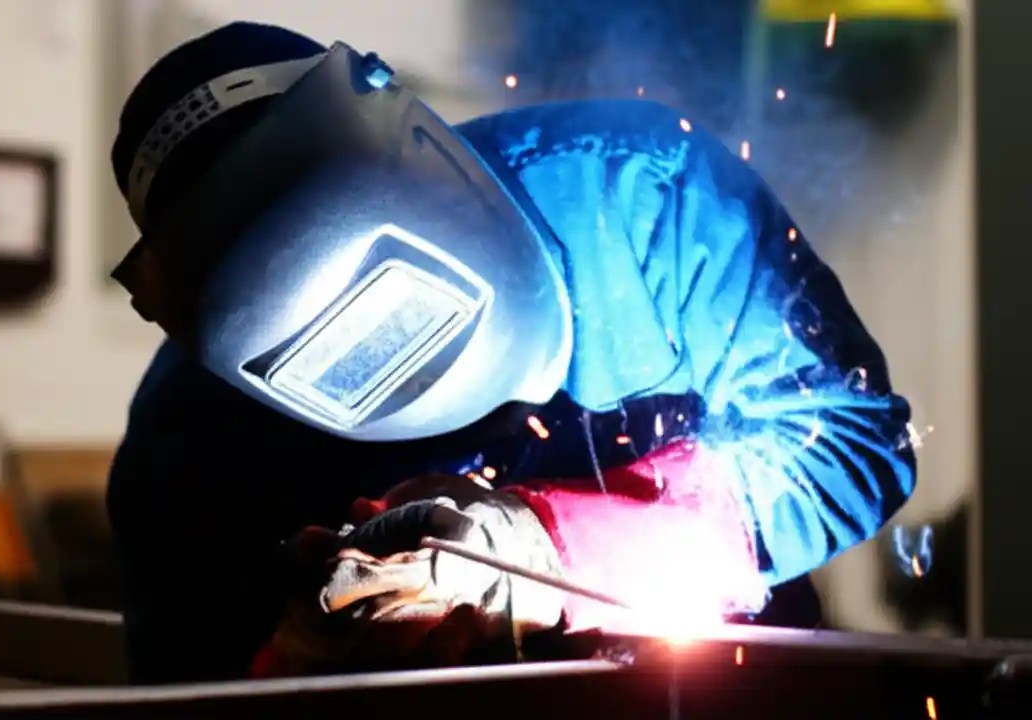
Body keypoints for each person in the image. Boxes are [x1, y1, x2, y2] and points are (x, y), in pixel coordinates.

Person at [106, 22, 916, 684]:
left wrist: (534, 547)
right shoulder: (188, 436)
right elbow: (188, 689)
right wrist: (294, 663)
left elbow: (852, 444)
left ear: (407, 130)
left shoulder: (638, 199)